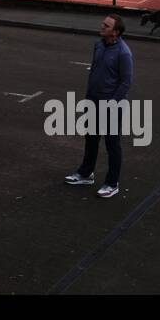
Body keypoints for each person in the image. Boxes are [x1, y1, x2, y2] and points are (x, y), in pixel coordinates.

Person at [64, 14, 134, 198]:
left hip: (111, 105)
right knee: (92, 139)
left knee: (112, 144)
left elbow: (126, 82)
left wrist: (112, 104)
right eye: (103, 23)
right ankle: (86, 174)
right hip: (93, 101)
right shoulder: (99, 45)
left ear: (116, 32)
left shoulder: (123, 53)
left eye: (107, 25)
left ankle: (112, 183)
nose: (102, 26)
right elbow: (94, 71)